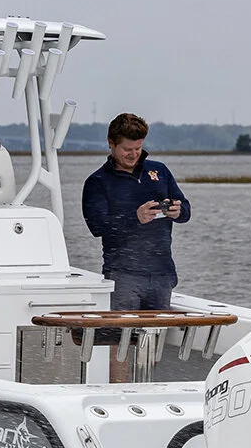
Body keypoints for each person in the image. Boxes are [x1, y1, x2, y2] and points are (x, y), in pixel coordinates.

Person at [80, 113, 191, 379]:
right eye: (127, 149)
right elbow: (97, 227)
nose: (133, 154)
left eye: (138, 148)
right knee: (121, 341)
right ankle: (118, 392)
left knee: (154, 340)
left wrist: (177, 210)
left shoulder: (159, 171)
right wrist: (135, 218)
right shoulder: (97, 182)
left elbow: (186, 210)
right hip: (123, 274)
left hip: (162, 272)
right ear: (111, 144)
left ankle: (149, 390)